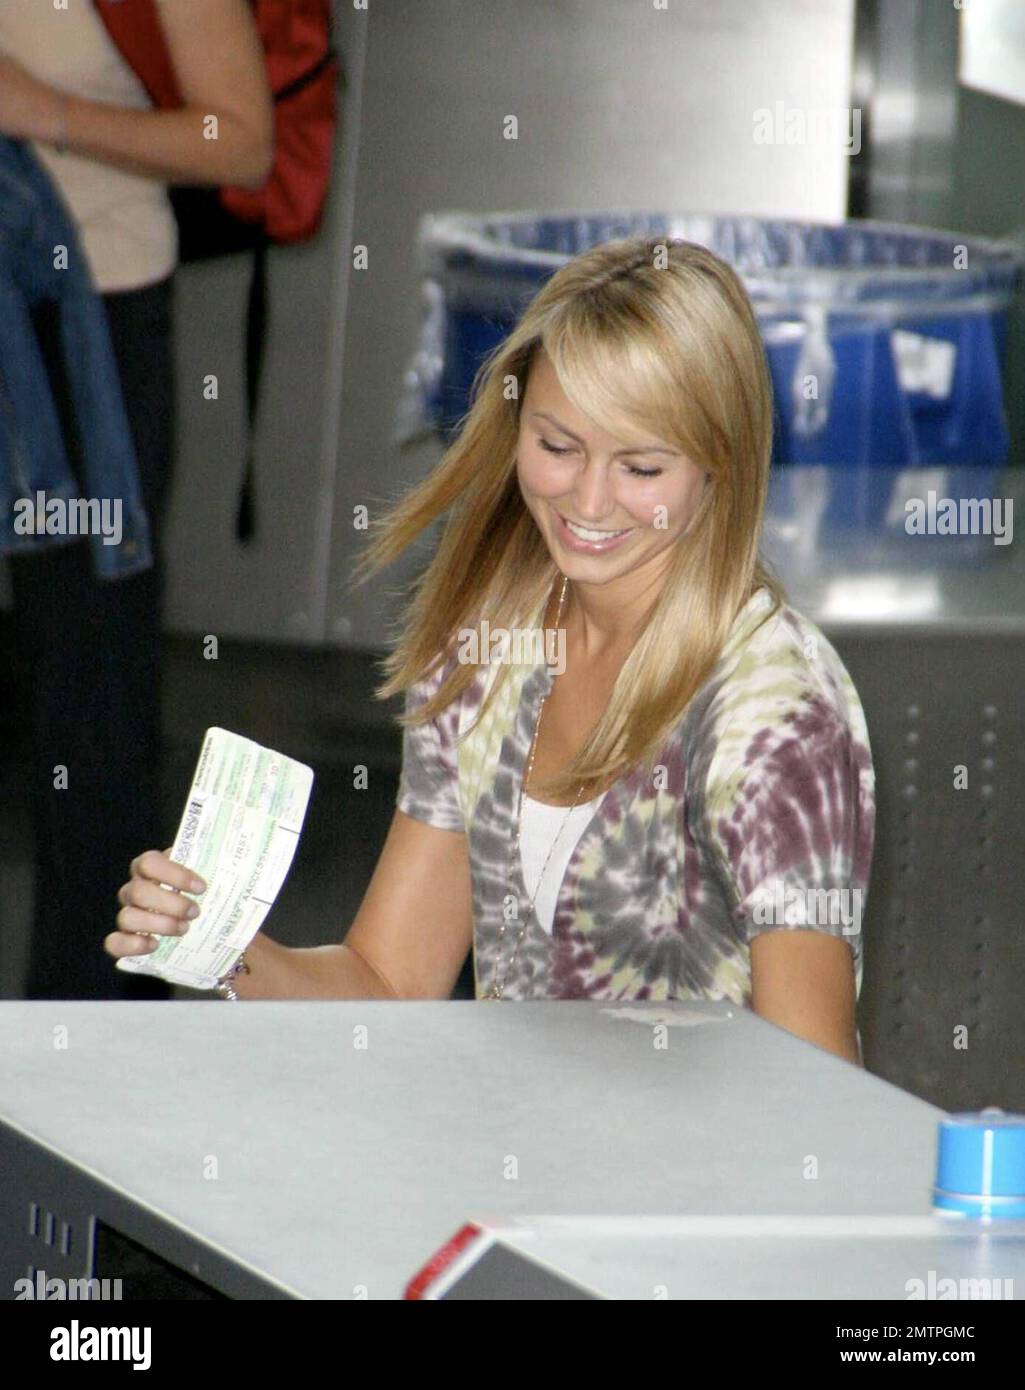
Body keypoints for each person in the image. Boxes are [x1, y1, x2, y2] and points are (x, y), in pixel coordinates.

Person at [106, 236, 875, 1063]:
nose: (586, 499)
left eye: (641, 466)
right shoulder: (488, 646)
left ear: (719, 467)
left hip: (679, 1191)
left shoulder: (777, 712)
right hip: (509, 1175)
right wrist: (219, 945)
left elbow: (811, 1083)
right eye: (556, 446)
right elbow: (391, 982)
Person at [0, 0, 272, 998]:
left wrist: (38, 110)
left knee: (88, 715)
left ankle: (87, 1061)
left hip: (84, 338)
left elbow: (241, 141)